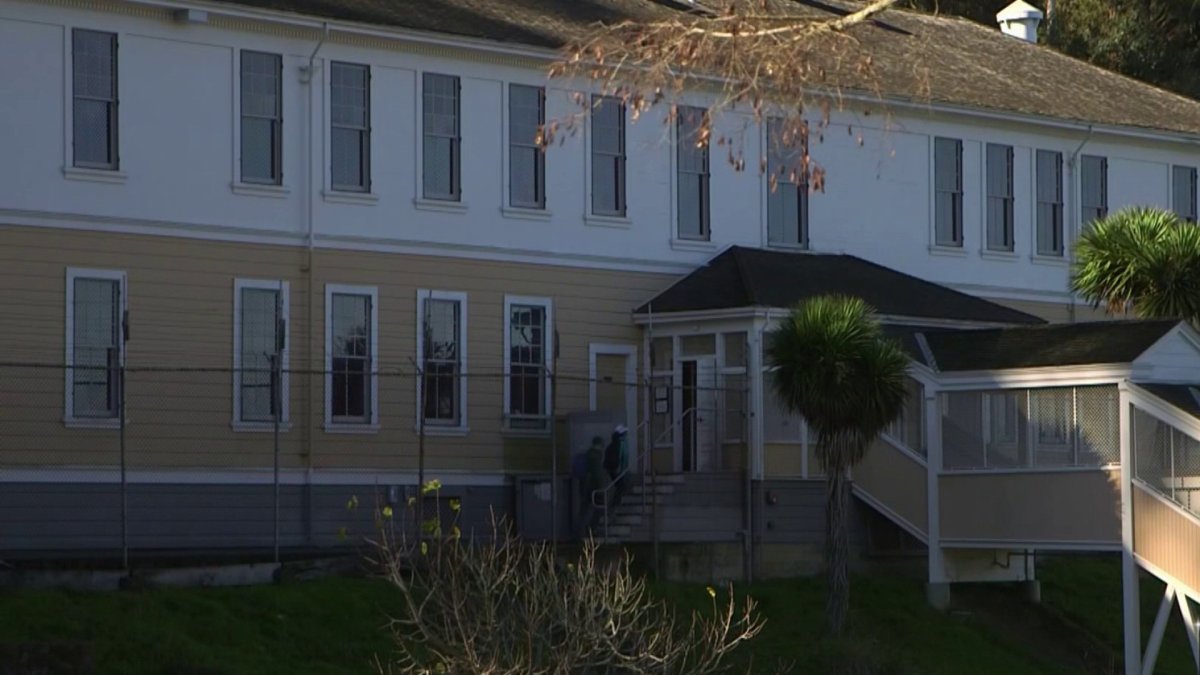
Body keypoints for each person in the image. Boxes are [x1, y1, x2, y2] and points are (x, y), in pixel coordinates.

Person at [575, 436, 609, 538]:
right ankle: (591, 529)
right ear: (599, 445)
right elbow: (597, 474)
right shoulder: (596, 456)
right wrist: (601, 487)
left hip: (584, 486)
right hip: (594, 487)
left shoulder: (588, 454)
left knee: (584, 510)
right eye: (602, 446)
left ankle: (580, 532)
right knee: (600, 508)